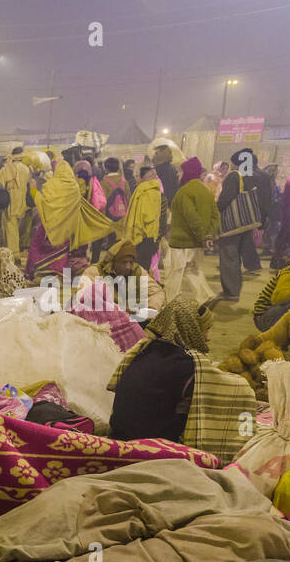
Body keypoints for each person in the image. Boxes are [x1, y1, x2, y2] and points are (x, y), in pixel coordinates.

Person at [107, 297, 255, 461]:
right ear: (190, 329)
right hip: (152, 452)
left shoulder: (144, 350)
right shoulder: (186, 366)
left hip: (119, 440)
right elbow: (234, 389)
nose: (209, 337)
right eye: (206, 329)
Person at [216, 149, 268, 303]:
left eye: (233, 161)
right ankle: (235, 289)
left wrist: (216, 208)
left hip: (233, 223)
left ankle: (231, 292)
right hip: (246, 221)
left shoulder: (234, 176)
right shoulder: (253, 175)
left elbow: (225, 199)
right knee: (236, 256)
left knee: (229, 256)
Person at [164, 158, 218, 307]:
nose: (180, 174)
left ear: (187, 172)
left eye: (182, 171)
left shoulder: (184, 192)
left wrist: (202, 236)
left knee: (174, 271)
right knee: (192, 270)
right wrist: (208, 236)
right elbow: (215, 216)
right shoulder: (206, 191)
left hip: (181, 241)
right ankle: (206, 296)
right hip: (197, 242)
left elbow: (192, 217)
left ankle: (171, 302)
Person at [82, 239, 164, 312]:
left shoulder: (137, 271)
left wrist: (150, 308)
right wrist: (119, 310)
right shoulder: (95, 272)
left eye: (131, 262)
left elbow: (156, 292)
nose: (128, 266)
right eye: (124, 262)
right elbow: (84, 297)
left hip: (133, 316)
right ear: (113, 262)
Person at [124, 165, 165, 272]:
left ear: (143, 177)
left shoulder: (147, 191)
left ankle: (136, 289)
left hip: (143, 236)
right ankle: (137, 288)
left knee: (139, 269)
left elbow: (147, 217)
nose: (136, 178)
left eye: (137, 175)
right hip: (147, 235)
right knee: (140, 269)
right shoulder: (150, 189)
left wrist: (138, 232)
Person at [0, 146, 31, 258]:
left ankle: (14, 254)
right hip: (22, 203)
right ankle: (15, 251)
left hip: (9, 203)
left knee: (10, 228)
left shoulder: (5, 169)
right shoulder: (26, 169)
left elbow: (0, 187)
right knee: (17, 228)